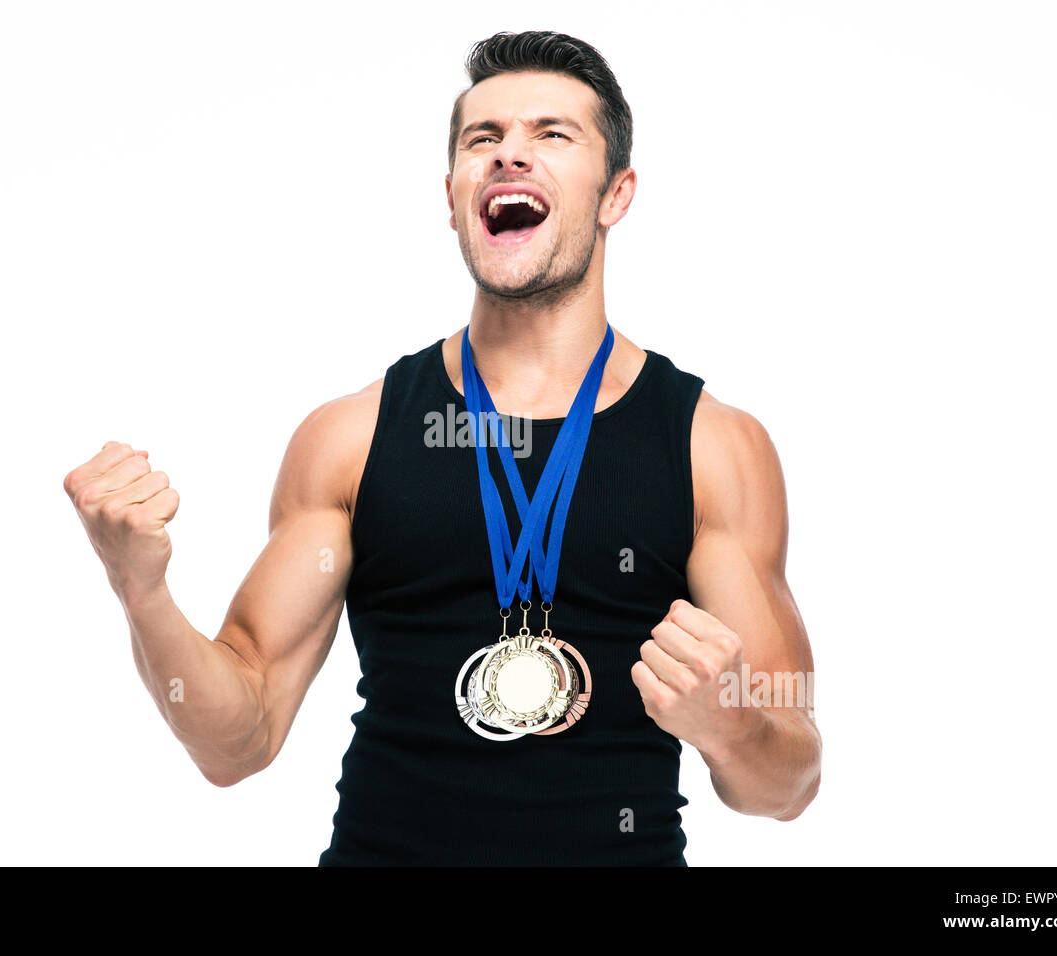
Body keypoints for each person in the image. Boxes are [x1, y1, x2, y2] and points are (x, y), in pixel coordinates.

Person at [63, 30, 821, 866]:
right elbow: (237, 742)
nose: (509, 155)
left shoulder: (714, 447)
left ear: (617, 193)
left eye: (552, 134)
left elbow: (789, 784)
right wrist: (141, 590)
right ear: (453, 196)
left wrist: (732, 725)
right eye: (483, 138)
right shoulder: (350, 438)